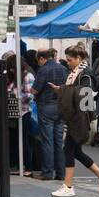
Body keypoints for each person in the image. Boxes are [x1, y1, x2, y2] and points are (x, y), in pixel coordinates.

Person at [50, 44, 99, 197]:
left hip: (80, 117)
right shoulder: (77, 72)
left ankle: (68, 186)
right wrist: (63, 89)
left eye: (70, 60)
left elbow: (85, 94)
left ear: (79, 58)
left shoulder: (85, 74)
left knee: (69, 150)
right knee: (75, 151)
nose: (68, 62)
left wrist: (62, 90)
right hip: (75, 116)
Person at [32, 49, 68, 181]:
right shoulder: (63, 69)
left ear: (42, 59)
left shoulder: (43, 70)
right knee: (59, 141)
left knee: (47, 141)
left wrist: (32, 90)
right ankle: (61, 173)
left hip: (46, 106)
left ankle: (47, 172)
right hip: (60, 106)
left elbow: (35, 89)